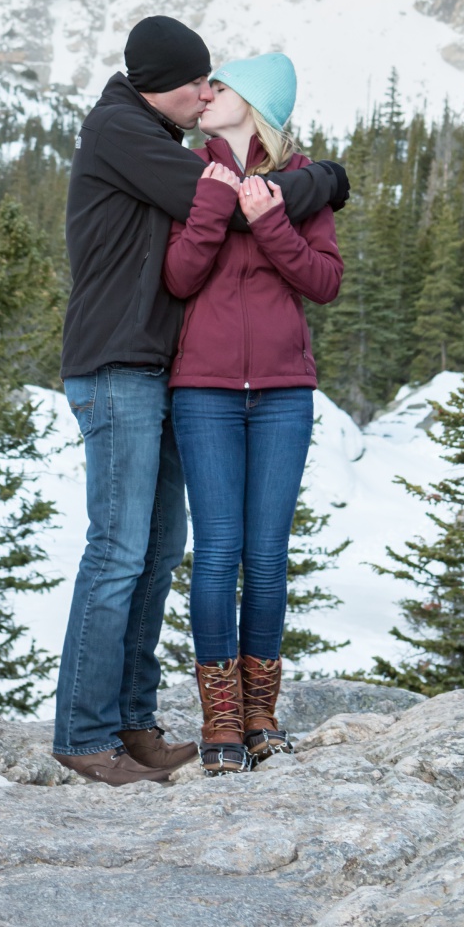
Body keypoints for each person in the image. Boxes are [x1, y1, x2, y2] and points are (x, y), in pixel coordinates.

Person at [52, 16, 349, 784]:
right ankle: (86, 735)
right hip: (120, 363)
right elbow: (225, 208)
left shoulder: (159, 136)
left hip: (157, 369)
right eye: (196, 81)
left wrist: (310, 184)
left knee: (154, 554)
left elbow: (263, 211)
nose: (204, 91)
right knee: (120, 552)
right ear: (159, 84)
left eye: (216, 82)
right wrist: (323, 182)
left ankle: (133, 723)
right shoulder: (122, 129)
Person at [162, 51, 343, 774]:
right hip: (202, 389)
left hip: (282, 392)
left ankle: (263, 715)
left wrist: (271, 224)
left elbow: (324, 282)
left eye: (221, 87)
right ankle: (223, 722)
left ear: (256, 103)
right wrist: (212, 208)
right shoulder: (189, 175)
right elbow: (177, 277)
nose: (206, 94)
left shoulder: (303, 186)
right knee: (216, 556)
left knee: (266, 559)